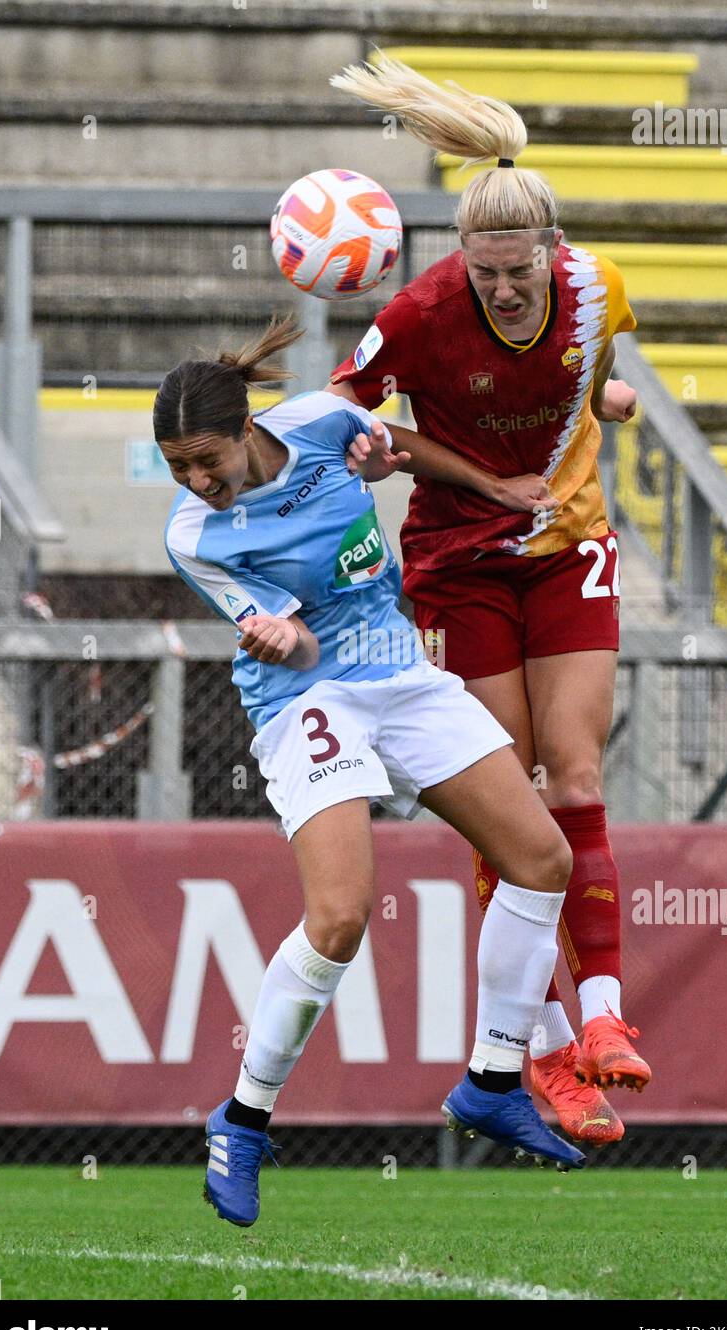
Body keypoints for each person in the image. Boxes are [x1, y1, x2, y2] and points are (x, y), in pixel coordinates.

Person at [154, 316, 586, 1228]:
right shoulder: (193, 534)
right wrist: (282, 631)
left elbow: (393, 441)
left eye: (207, 460)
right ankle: (241, 1120)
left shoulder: (316, 420)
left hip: (395, 670)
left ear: (246, 432)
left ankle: (493, 1080)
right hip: (305, 698)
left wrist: (464, 478)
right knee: (341, 914)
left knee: (543, 859)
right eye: (177, 467)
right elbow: (292, 639)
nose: (197, 482)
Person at [327, 52, 651, 1147]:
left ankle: (602, 1018)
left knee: (577, 766)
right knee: (507, 791)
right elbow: (348, 418)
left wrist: (607, 398)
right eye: (486, 274)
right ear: (459, 260)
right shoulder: (417, 314)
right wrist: (423, 461)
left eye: (519, 271)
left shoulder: (600, 286)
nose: (503, 290)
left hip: (565, 544)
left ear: (551, 252)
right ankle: (542, 1046)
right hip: (460, 560)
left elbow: (587, 373)